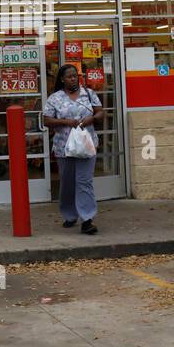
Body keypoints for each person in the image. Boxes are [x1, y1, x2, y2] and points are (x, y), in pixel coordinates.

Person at [42, 63, 104, 235]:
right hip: (64, 147)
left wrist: (92, 119)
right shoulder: (55, 98)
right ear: (62, 80)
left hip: (87, 144)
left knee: (84, 181)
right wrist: (66, 122)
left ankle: (87, 219)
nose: (73, 79)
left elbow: (100, 112)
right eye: (69, 77)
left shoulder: (89, 94)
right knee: (68, 183)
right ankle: (70, 215)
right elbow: (46, 120)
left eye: (75, 76)